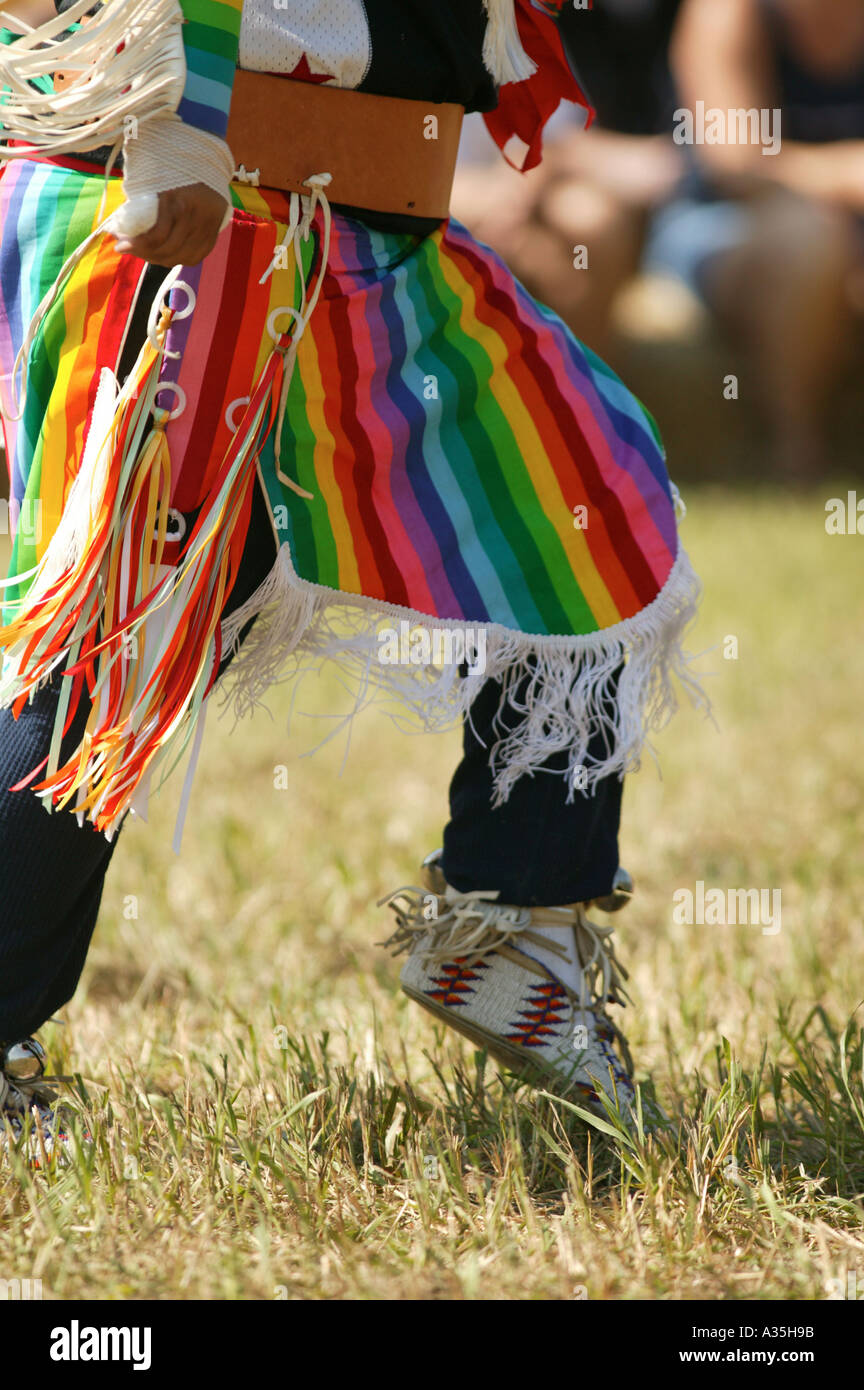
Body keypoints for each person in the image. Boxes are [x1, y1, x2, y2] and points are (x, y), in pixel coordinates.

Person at [0, 0, 701, 1151]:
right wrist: (168, 126)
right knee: (128, 641)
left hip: (369, 232)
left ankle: (511, 917)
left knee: (593, 519)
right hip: (194, 202)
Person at [644, 0, 864, 479]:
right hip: (723, 225)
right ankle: (798, 459)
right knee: (808, 240)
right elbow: (736, 163)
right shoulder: (729, 10)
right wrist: (849, 175)